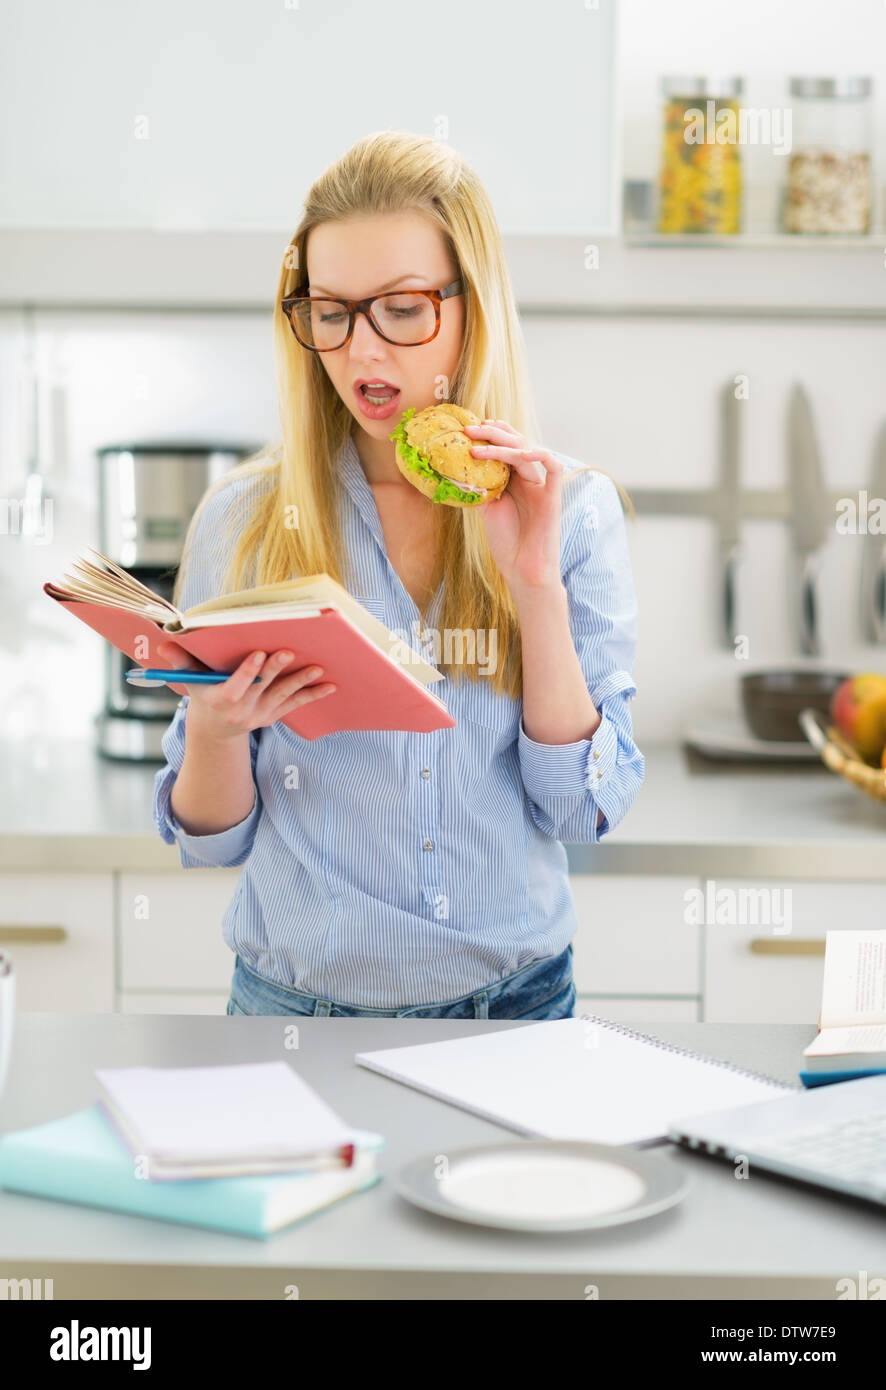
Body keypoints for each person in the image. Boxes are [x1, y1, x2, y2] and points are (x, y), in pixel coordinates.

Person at [152, 129, 645, 1020]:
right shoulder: (247, 520)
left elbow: (577, 812)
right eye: (330, 311)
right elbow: (210, 847)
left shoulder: (572, 511)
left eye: (404, 308)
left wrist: (534, 583)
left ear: (473, 304)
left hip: (515, 1015)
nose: (363, 353)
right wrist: (217, 732)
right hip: (292, 1016)